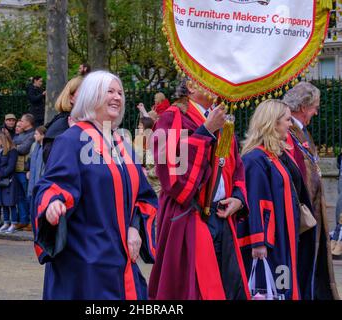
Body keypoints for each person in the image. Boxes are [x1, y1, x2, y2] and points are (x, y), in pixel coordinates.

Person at [32, 70, 157, 300]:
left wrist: (134, 227)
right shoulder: (71, 140)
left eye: (120, 92)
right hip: (84, 262)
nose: (117, 97)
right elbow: (54, 185)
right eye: (109, 91)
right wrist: (52, 204)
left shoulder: (123, 144)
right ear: (91, 96)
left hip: (121, 261)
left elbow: (144, 195)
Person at [148, 78, 249, 300]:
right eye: (210, 79)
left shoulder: (222, 120)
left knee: (229, 288)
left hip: (223, 216)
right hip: (188, 216)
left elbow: (235, 165)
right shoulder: (171, 117)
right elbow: (171, 174)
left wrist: (238, 197)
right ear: (191, 87)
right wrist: (206, 131)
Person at [239, 99, 316, 300]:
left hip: (283, 234)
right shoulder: (255, 159)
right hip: (270, 240)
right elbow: (256, 203)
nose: (290, 125)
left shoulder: (274, 155)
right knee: (274, 289)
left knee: (284, 285)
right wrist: (258, 241)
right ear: (273, 122)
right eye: (287, 120)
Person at [283, 82, 339, 299]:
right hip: (302, 212)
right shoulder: (289, 130)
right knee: (303, 268)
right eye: (314, 106)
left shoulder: (301, 130)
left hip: (311, 211)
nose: (316, 112)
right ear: (303, 106)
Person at [43, 76, 83, 164]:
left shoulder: (98, 122)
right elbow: (55, 165)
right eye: (84, 92)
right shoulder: (61, 125)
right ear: (71, 98)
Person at [0, 131, 19, 234]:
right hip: (0, 180)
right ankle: (6, 222)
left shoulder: (12, 151)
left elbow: (11, 167)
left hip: (9, 180)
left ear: (3, 139)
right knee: (3, 202)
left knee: (11, 203)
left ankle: (13, 224)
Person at [13, 114, 35, 231]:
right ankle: (23, 220)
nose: (20, 123)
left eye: (22, 120)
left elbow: (23, 149)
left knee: (29, 196)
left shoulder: (32, 134)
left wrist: (15, 145)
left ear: (28, 122)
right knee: (20, 197)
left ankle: (31, 222)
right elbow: (14, 143)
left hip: (25, 170)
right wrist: (16, 145)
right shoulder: (21, 134)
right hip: (17, 169)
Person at [27, 126, 46, 199]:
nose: (34, 136)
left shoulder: (46, 147)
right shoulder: (34, 146)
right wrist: (29, 170)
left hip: (41, 176)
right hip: (33, 175)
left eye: (36, 134)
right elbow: (30, 158)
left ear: (42, 135)